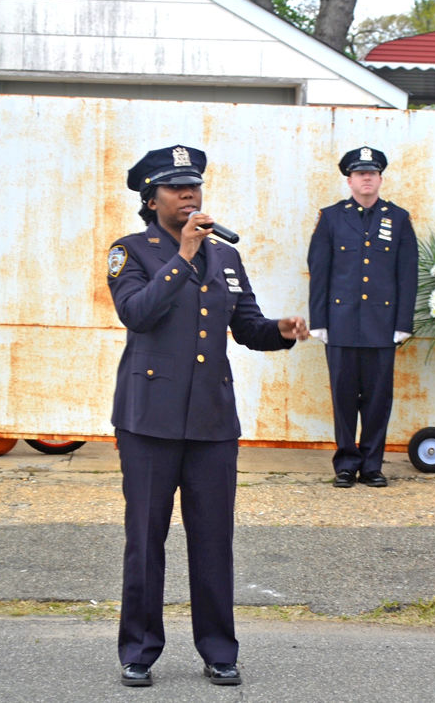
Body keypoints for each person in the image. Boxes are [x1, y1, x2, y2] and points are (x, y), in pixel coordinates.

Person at [107, 144, 309, 688]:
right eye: (175, 188)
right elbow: (137, 314)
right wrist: (184, 258)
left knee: (214, 538)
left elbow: (246, 326)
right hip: (148, 419)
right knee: (146, 539)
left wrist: (281, 332)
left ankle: (219, 650)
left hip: (212, 422)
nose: (189, 195)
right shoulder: (130, 251)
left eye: (193, 185)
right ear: (151, 200)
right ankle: (139, 650)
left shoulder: (227, 256)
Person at [307, 146, 418, 488]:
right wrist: (319, 321)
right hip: (340, 323)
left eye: (372, 173)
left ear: (381, 178)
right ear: (349, 179)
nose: (366, 178)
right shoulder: (331, 217)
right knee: (343, 397)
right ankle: (345, 463)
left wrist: (403, 324)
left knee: (377, 398)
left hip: (381, 327)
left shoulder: (398, 218)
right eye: (360, 173)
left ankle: (372, 464)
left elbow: (407, 274)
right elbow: (319, 270)